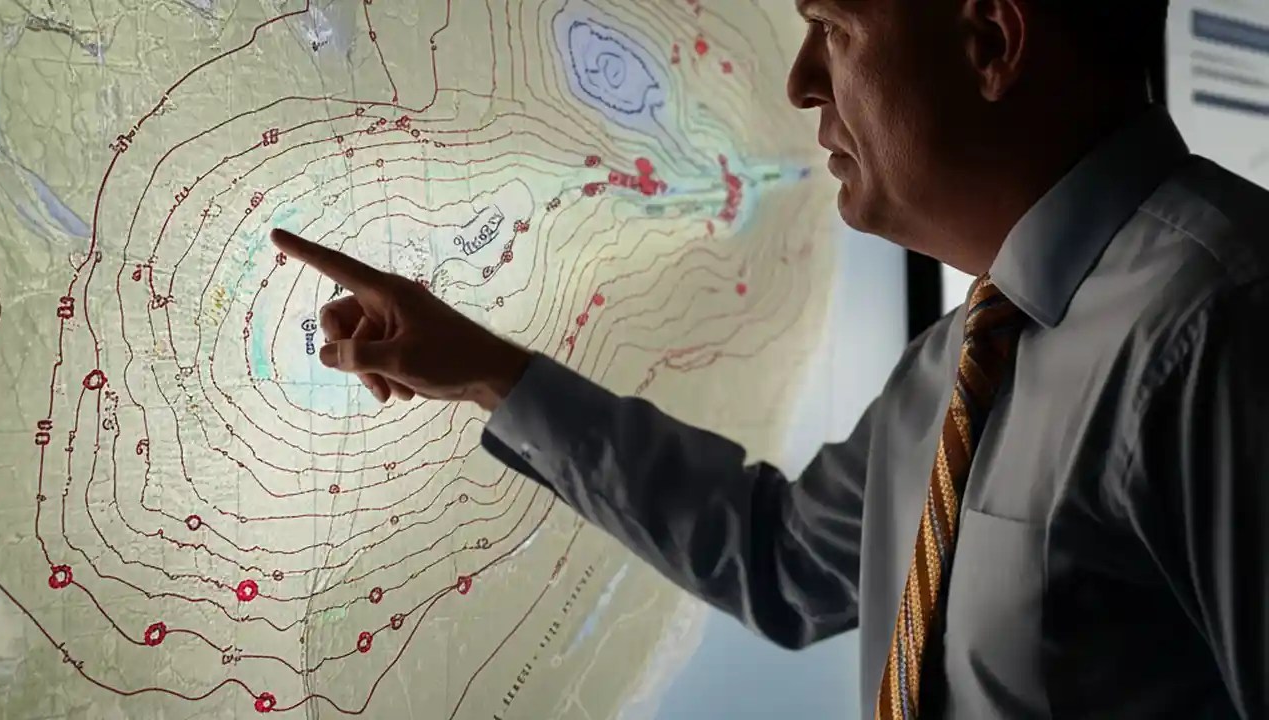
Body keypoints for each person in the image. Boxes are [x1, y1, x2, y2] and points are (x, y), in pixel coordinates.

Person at [272, 0, 1269, 716]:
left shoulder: (1219, 325)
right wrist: (484, 368)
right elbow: (781, 560)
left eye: (833, 29)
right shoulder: (953, 365)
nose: (798, 82)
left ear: (988, 41)